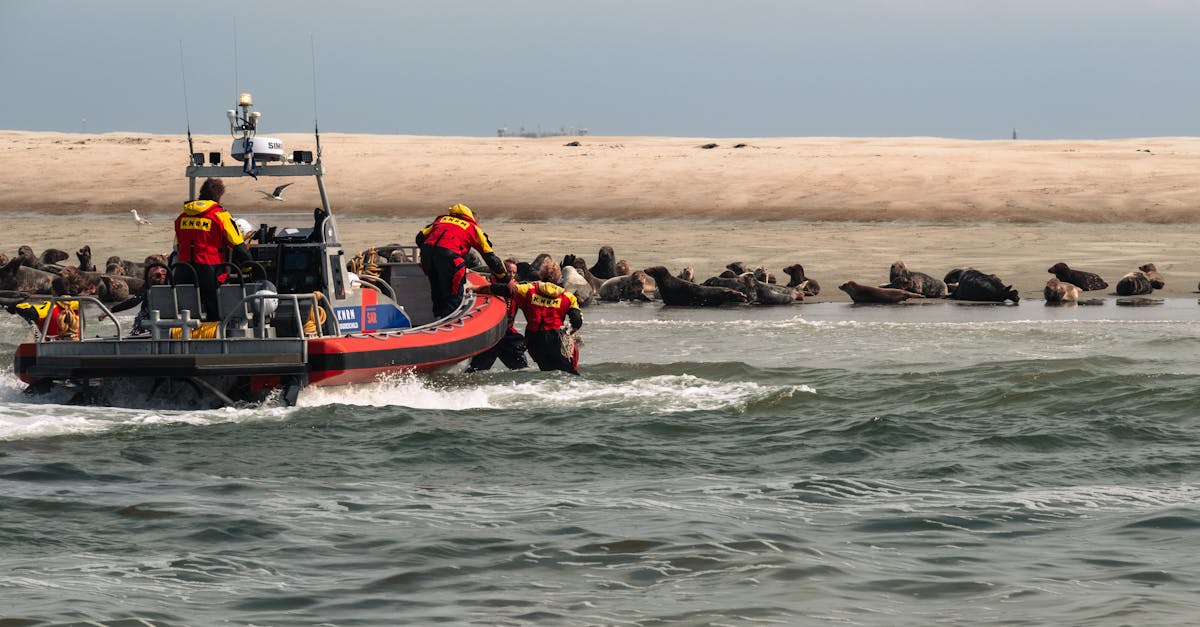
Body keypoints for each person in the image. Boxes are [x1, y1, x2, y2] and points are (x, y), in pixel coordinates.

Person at [478, 264, 583, 374]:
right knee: (568, 374)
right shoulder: (568, 296)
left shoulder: (528, 289)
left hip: (534, 340)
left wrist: (477, 289)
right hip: (554, 339)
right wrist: (572, 331)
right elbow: (577, 320)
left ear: (541, 274)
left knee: (546, 371)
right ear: (559, 277)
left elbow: (503, 289)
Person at [174, 178, 253, 321]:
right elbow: (237, 245)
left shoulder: (182, 217)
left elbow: (178, 245)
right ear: (219, 195)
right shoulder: (219, 215)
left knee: (186, 309)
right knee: (215, 310)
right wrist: (251, 265)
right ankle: (216, 336)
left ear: (201, 193)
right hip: (210, 270)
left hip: (183, 270)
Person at [415, 203, 508, 319]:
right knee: (453, 295)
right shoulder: (473, 228)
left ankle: (438, 318)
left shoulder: (442, 220)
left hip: (428, 256)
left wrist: (428, 257)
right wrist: (505, 279)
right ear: (474, 220)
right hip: (449, 257)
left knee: (437, 289)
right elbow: (490, 256)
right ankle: (450, 322)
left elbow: (419, 238)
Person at [465, 258, 528, 373]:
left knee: (522, 370)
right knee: (476, 371)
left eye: (514, 273)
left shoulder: (517, 288)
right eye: (509, 272)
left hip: (507, 334)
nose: (512, 275)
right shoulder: (486, 284)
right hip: (490, 334)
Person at [3, 270, 89, 341]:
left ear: (53, 291)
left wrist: (11, 306)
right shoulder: (78, 305)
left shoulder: (48, 308)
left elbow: (26, 310)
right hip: (77, 343)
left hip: (53, 348)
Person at [100, 255, 170, 335]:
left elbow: (134, 301)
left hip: (150, 323)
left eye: (149, 267)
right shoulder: (170, 281)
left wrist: (110, 311)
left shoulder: (152, 284)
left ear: (160, 268)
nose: (145, 270)